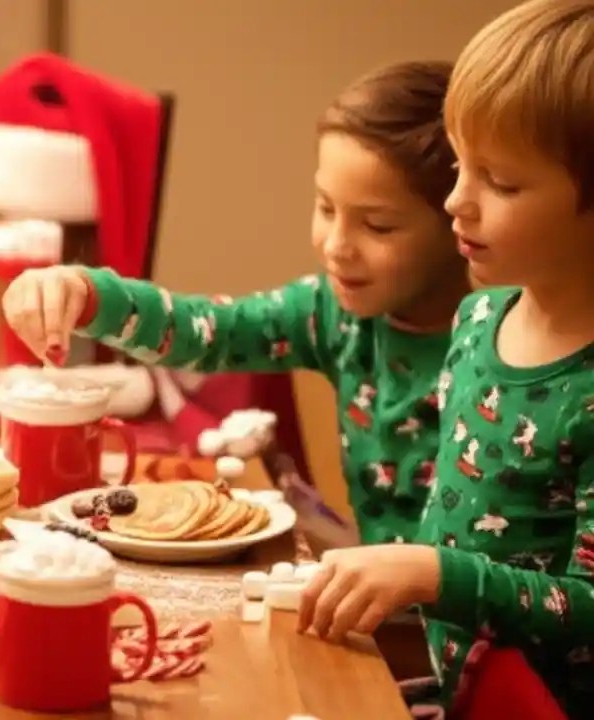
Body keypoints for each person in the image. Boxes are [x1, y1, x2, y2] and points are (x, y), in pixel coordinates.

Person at [2, 61, 469, 547]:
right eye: (326, 208)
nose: (336, 244)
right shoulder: (331, 312)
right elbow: (209, 330)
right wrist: (87, 294)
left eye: (377, 226)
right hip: (378, 603)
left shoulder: (504, 342)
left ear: (460, 222)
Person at [296, 1, 594, 715]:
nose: (456, 201)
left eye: (502, 182)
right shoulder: (480, 315)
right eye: (461, 166)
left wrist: (433, 573)